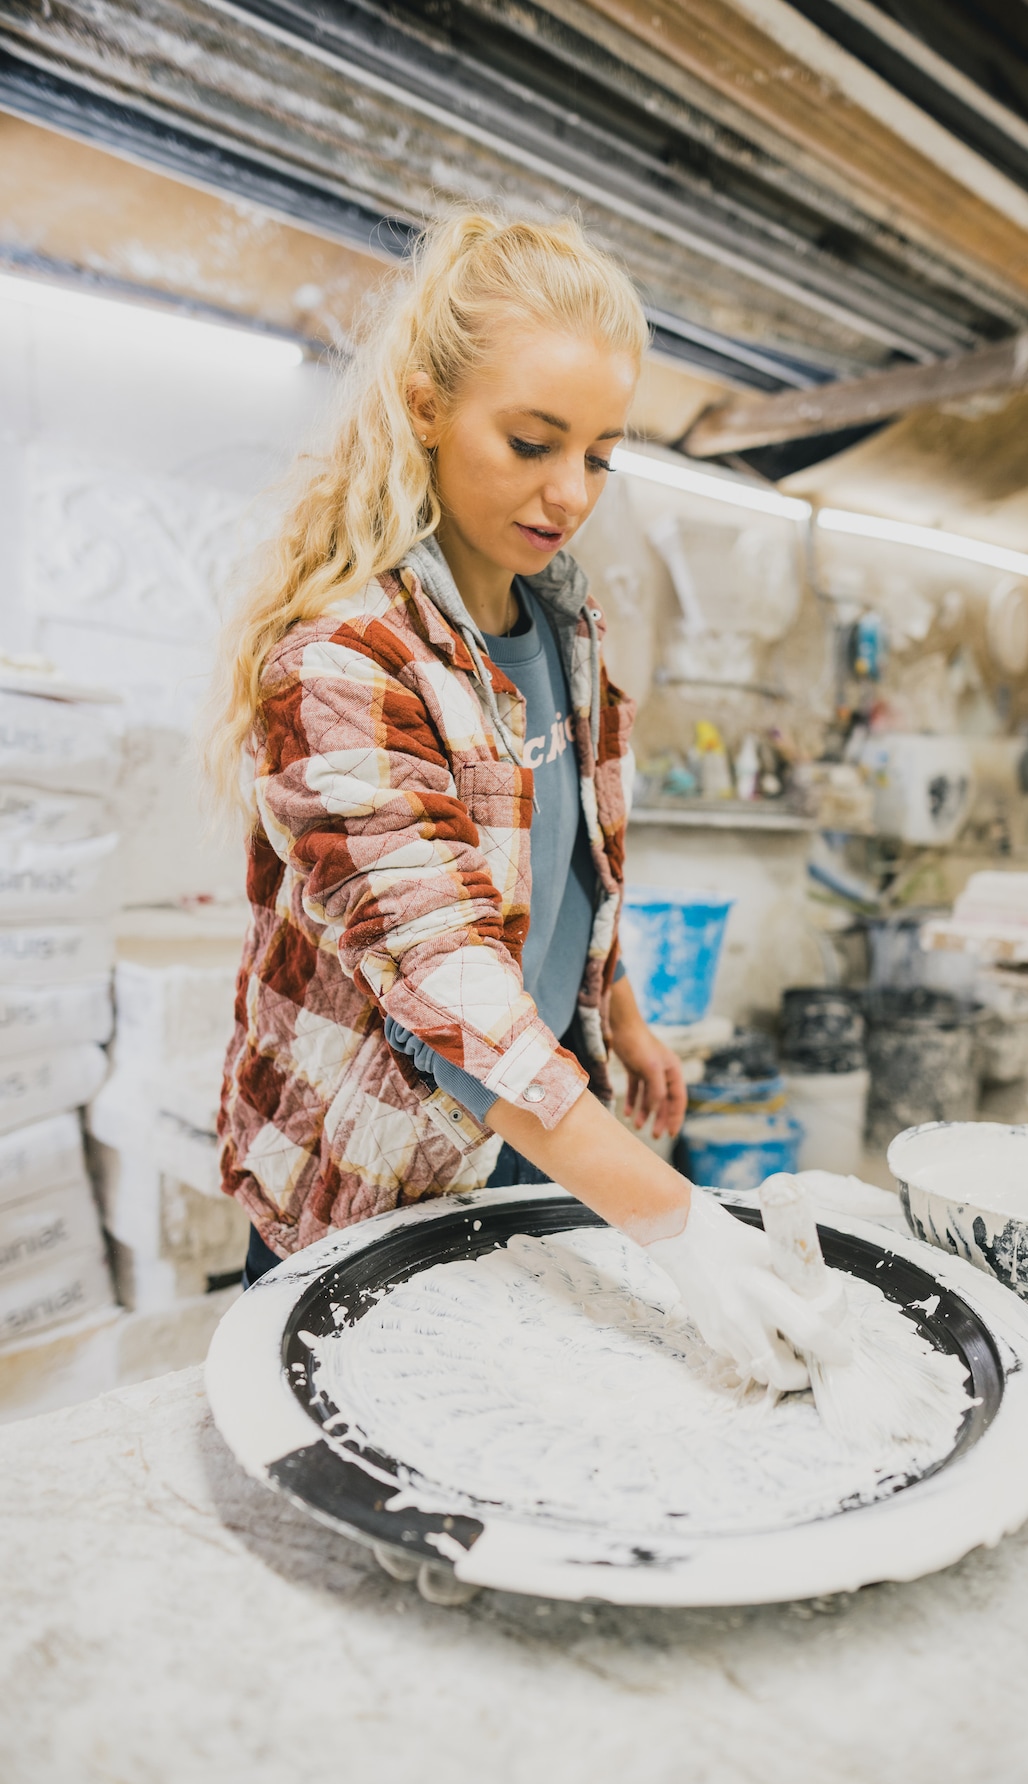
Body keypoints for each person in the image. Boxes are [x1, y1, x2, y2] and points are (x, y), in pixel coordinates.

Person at [208, 211, 819, 1390]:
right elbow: (446, 972)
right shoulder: (340, 665)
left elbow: (562, 856)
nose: (568, 493)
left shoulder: (561, 624)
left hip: (538, 1149)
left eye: (598, 454)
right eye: (533, 440)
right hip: (370, 1178)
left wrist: (622, 1007)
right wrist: (681, 1223)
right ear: (426, 405)